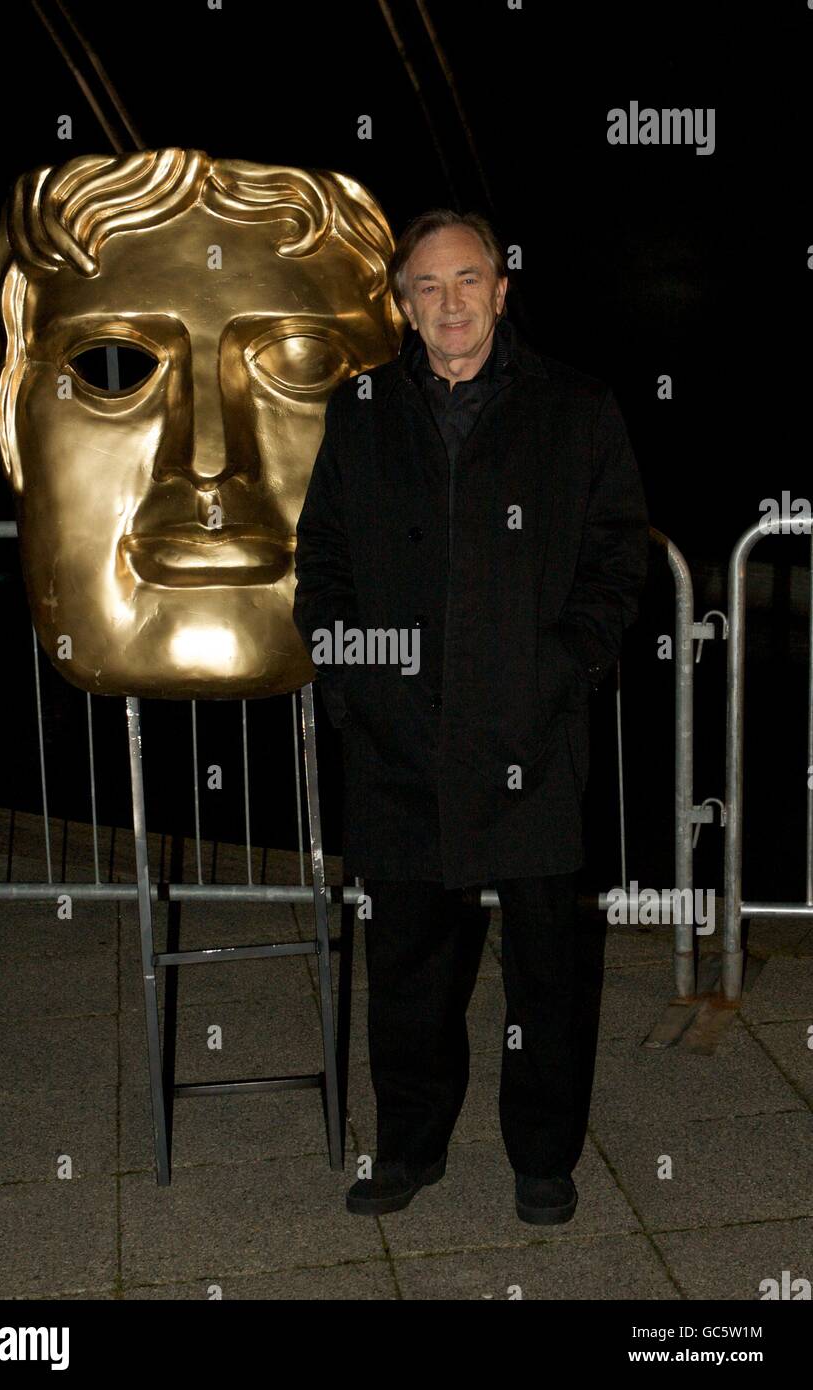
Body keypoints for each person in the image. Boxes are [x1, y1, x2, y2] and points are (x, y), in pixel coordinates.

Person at [293, 208, 649, 1225]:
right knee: (405, 963)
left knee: (546, 967)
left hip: (530, 737)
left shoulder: (576, 408)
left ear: (500, 288)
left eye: (465, 281)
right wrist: (354, 678)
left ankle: (541, 1153)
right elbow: (321, 567)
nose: (447, 304)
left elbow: (617, 558)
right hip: (397, 736)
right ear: (402, 306)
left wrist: (564, 663)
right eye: (425, 288)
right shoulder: (358, 411)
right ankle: (408, 1146)